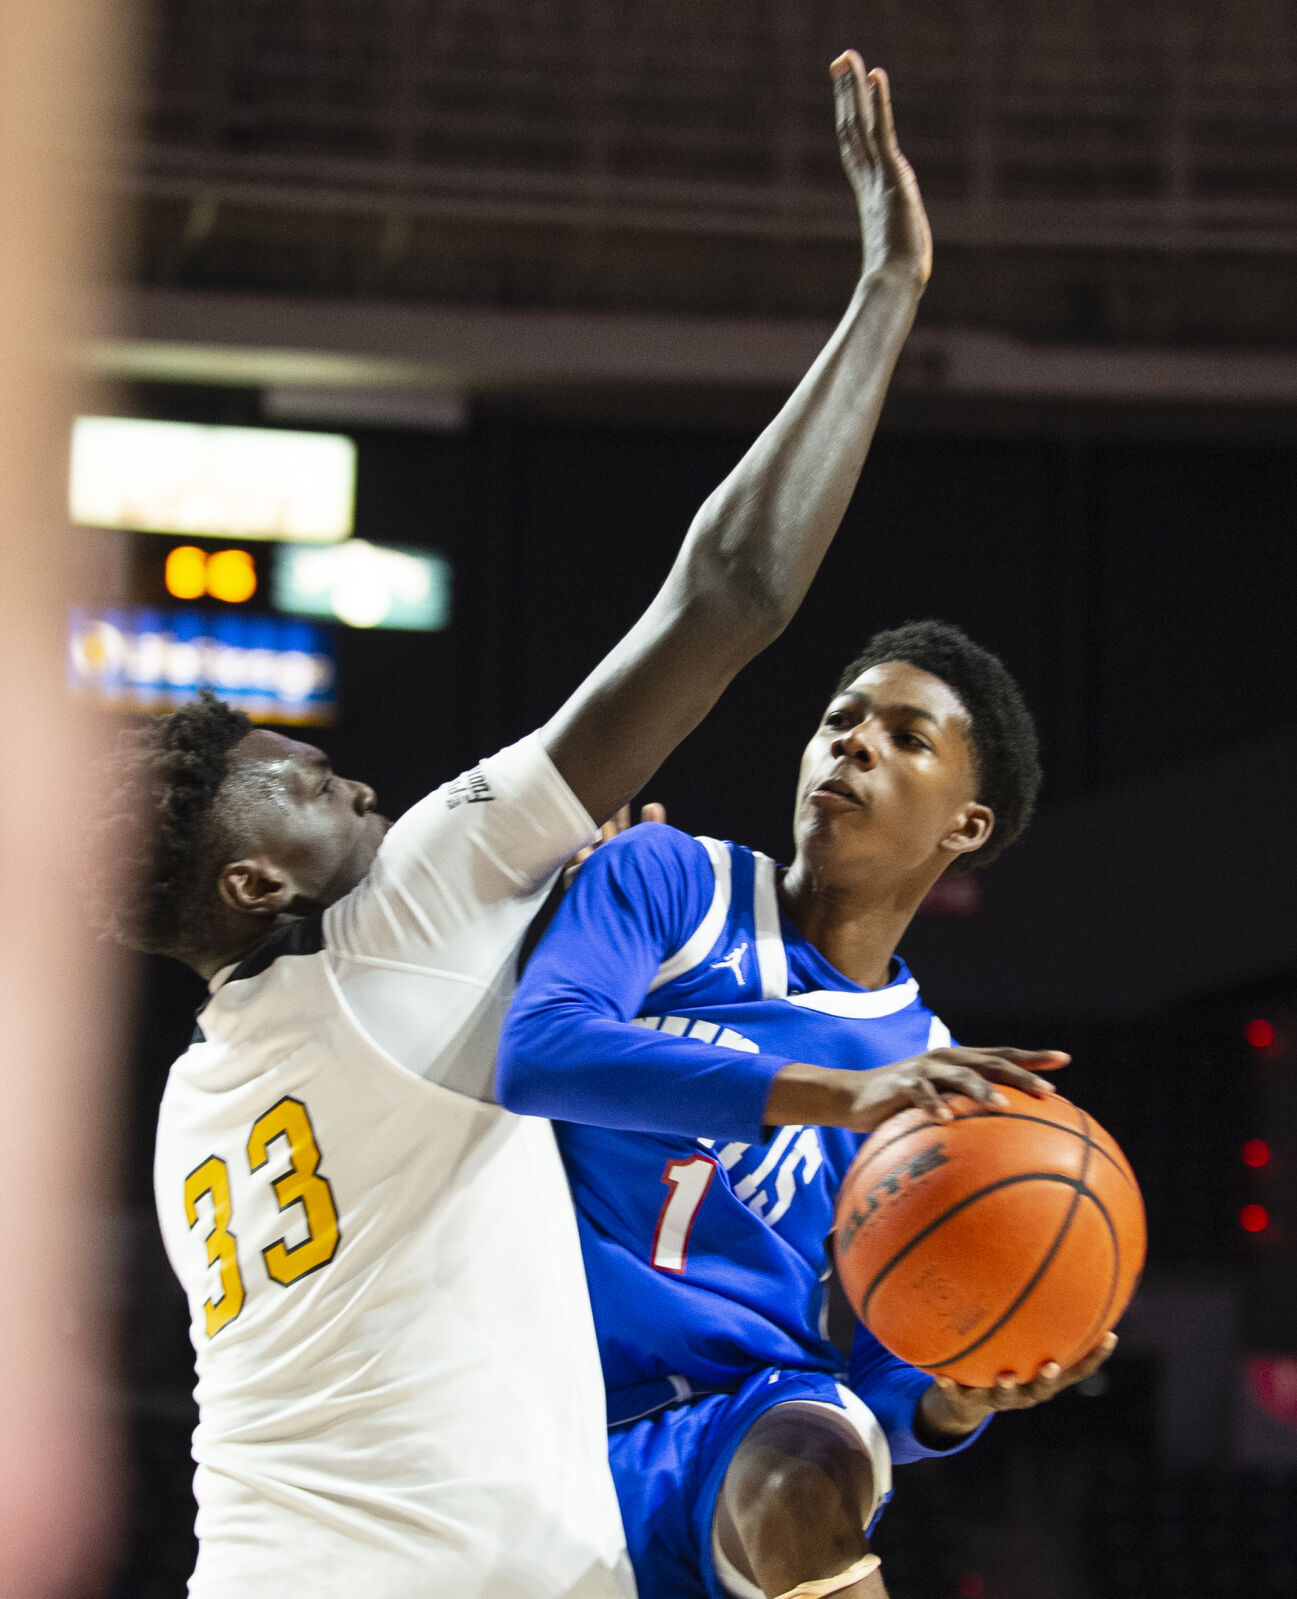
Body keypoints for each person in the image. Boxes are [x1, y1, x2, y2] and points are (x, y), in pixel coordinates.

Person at [91, 49, 935, 1599]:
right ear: (254, 875)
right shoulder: (406, 904)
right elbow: (728, 592)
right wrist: (886, 290)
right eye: (296, 780)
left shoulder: (195, 1107)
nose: (350, 779)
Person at [497, 620, 1117, 1599]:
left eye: (906, 737)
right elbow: (536, 1054)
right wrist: (832, 1097)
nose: (854, 743)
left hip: (739, 1419)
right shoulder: (671, 880)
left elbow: (879, 1370)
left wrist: (953, 1399)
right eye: (840, 719)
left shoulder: (925, 1074)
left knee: (800, 1479)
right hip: (517, 1411)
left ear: (965, 825)